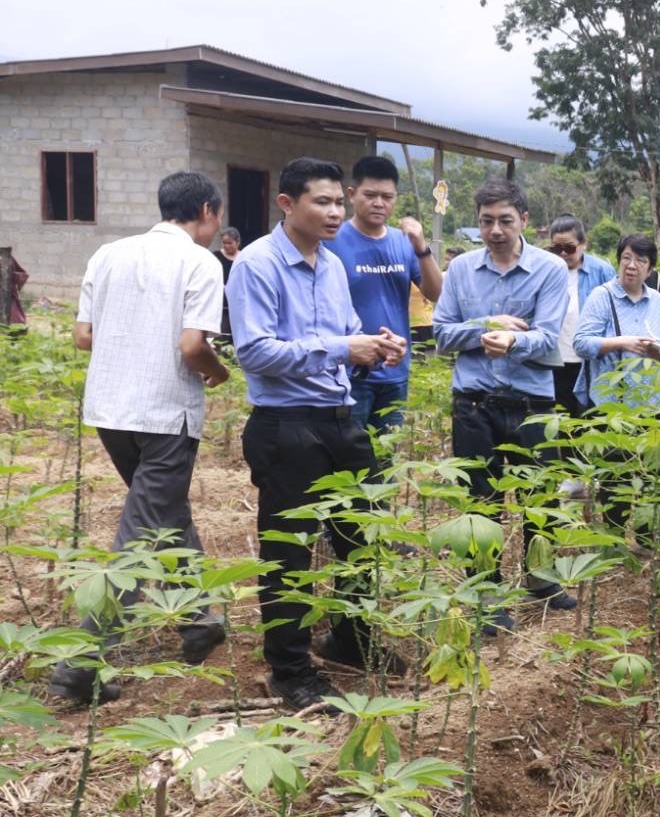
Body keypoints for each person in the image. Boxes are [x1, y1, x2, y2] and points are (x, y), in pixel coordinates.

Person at [229, 157, 408, 710]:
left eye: (338, 201)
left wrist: (372, 343)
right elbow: (254, 351)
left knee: (359, 538)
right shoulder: (256, 265)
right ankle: (289, 669)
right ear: (287, 203)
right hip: (287, 427)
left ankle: (351, 638)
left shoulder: (330, 265)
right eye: (322, 202)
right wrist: (340, 348)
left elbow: (343, 332)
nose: (335, 212)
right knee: (289, 553)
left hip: (339, 419)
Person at [48, 172, 232, 705]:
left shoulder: (109, 253)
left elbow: (84, 336)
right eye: (216, 216)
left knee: (162, 516)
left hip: (111, 409)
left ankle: (200, 620)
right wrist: (218, 374)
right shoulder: (200, 262)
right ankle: (80, 665)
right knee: (138, 537)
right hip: (165, 413)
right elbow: (193, 346)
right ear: (206, 210)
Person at [434, 178, 576, 629]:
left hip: (531, 400)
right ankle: (487, 592)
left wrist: (514, 339)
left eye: (505, 221)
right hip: (474, 402)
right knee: (481, 501)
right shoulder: (460, 270)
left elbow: (548, 337)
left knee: (541, 496)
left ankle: (541, 577)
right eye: (486, 222)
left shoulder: (550, 269)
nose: (495, 230)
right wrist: (485, 326)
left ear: (525, 221)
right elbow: (441, 333)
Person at [323, 156, 442, 433]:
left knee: (387, 460)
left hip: (395, 371)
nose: (379, 203)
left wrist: (421, 247)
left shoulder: (403, 242)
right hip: (349, 371)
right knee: (350, 456)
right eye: (371, 195)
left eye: (387, 197)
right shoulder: (331, 241)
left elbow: (435, 292)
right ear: (352, 195)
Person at [573, 234, 660, 534]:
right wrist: (622, 342)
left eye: (640, 261)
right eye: (626, 258)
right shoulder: (601, 297)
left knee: (652, 475)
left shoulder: (657, 300)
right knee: (615, 476)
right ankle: (615, 538)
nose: (631, 266)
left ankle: (647, 540)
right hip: (613, 406)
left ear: (651, 269)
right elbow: (581, 343)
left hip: (652, 402)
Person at [543, 215, 616, 415]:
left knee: (592, 418)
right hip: (556, 360)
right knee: (561, 421)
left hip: (592, 361)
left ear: (583, 244)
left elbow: (615, 313)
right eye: (556, 249)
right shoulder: (545, 271)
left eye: (570, 247)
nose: (563, 254)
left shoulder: (602, 271)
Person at [213, 226, 241, 341]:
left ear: (237, 242)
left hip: (238, 303)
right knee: (221, 335)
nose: (226, 246)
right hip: (221, 304)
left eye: (230, 243)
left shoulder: (243, 257)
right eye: (224, 243)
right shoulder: (216, 257)